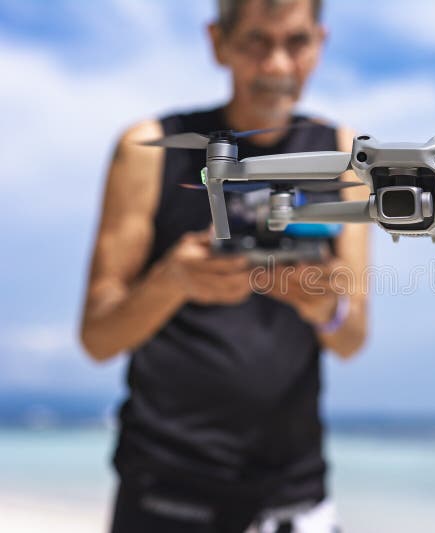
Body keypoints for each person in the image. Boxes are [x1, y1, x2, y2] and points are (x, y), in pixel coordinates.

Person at [79, 1, 369, 531]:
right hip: (164, 496)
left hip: (295, 500)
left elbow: (352, 338)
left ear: (319, 44)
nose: (277, 66)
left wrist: (324, 306)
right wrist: (171, 281)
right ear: (219, 42)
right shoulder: (149, 150)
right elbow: (97, 337)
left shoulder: (343, 153)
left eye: (296, 43)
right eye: (257, 41)